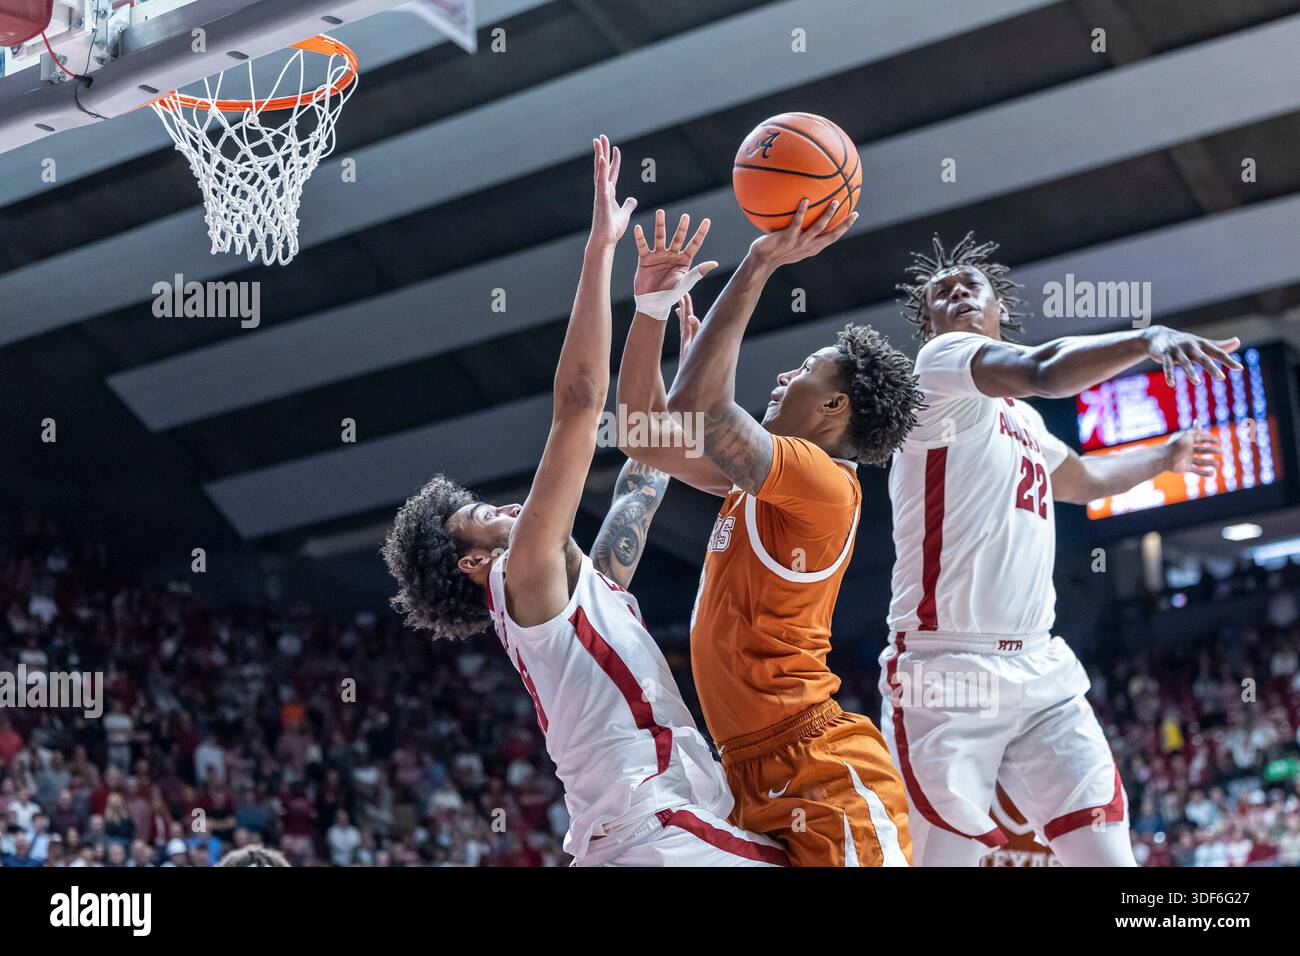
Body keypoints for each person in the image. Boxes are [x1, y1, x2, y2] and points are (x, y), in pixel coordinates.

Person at [382, 136, 785, 867]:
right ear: (475, 561)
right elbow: (579, 405)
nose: (504, 506)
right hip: (654, 828)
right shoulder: (522, 576)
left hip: (644, 831)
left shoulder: (567, 596)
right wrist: (600, 249)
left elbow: (639, 479)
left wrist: (659, 319)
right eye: (481, 514)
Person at [882, 231, 1236, 866]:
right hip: (947, 672)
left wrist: (1166, 455)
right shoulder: (938, 370)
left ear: (999, 309)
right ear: (930, 323)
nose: (958, 294)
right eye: (942, 293)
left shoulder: (1020, 418)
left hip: (1041, 667)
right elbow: (1045, 368)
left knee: (1111, 863)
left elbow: (1085, 480)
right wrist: (1147, 338)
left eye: (972, 286)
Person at [617, 199, 924, 866]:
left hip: (821, 771)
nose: (784, 377)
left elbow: (701, 405)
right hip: (747, 772)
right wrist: (648, 312)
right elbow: (641, 430)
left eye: (804, 371)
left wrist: (757, 262)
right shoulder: (755, 485)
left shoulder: (825, 483)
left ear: (834, 406)